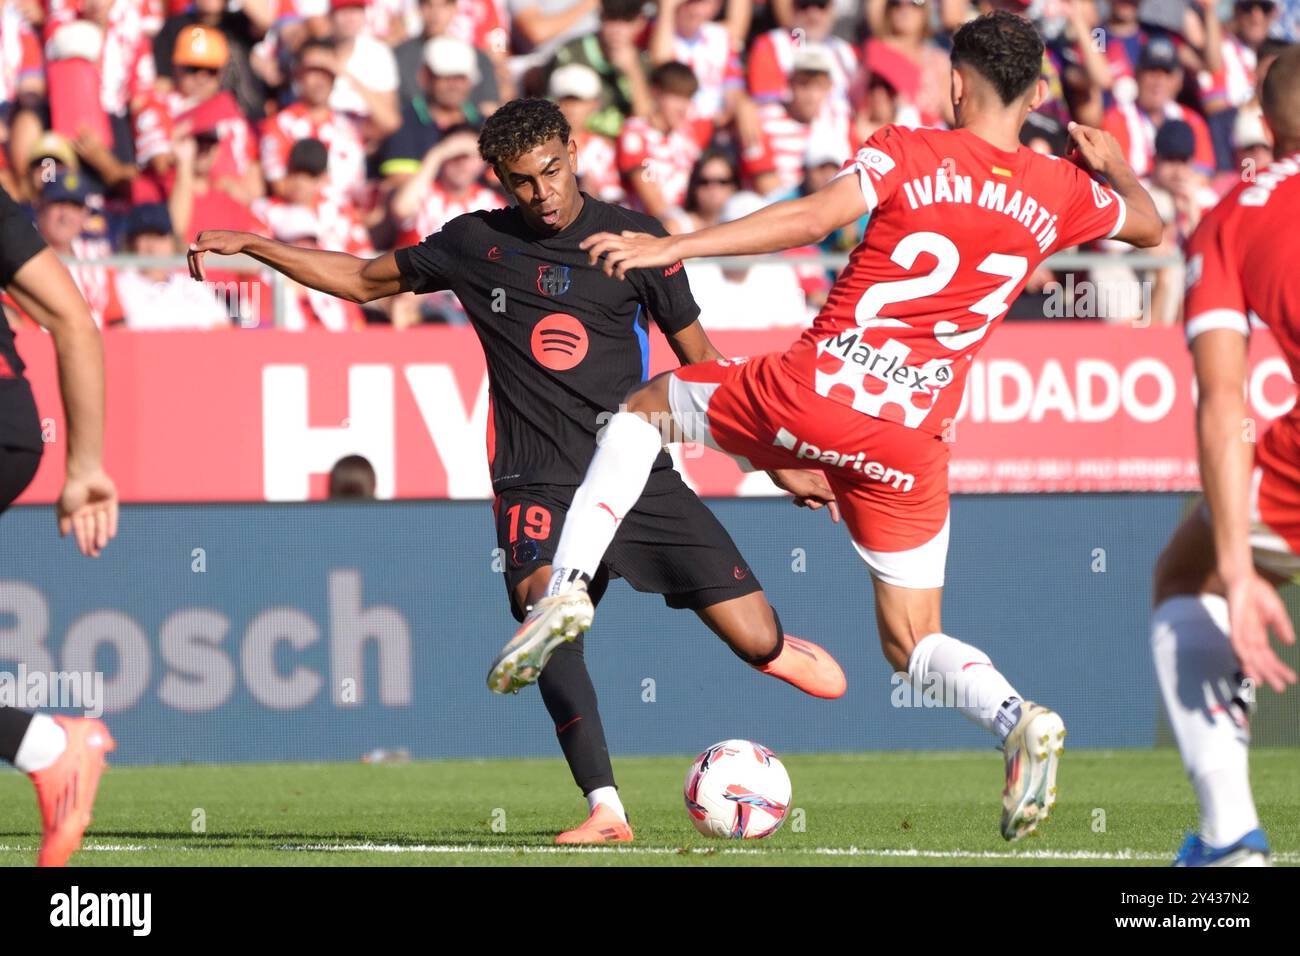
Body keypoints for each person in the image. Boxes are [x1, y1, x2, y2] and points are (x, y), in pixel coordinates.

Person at [514, 11, 1163, 842]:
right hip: (913, 441)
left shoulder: (909, 149)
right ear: (1039, 94)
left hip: (815, 392)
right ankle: (1016, 718)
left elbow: (810, 221)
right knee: (913, 641)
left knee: (643, 411)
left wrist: (673, 244)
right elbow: (1146, 227)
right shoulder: (1061, 190)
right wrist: (1116, 168)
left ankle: (565, 591)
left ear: (957, 84)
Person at [186, 96, 846, 844]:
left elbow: (701, 363)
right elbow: (364, 280)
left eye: (553, 171)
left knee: (757, 639)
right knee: (545, 615)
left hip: (636, 473)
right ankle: (607, 809)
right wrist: (259, 246)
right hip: (536, 481)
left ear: (573, 150)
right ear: (500, 179)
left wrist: (774, 463)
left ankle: (773, 651)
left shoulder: (637, 239)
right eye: (524, 182)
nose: (544, 194)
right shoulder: (476, 244)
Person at [1149, 43, 1300, 867]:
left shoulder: (1234, 212)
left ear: (1266, 122)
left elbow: (1224, 401)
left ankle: (1230, 835)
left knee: (1188, 575)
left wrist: (1239, 570)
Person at [0, 182, 117, 867]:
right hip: (13, 430)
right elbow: (72, 318)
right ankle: (47, 748)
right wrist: (84, 466)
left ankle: (50, 748)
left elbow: (72, 321)